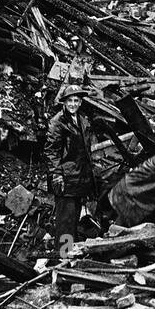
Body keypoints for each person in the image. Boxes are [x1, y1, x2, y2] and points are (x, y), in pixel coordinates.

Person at [45, 82, 98, 254]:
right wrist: (57, 175)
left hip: (79, 179)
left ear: (80, 102)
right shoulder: (57, 122)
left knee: (74, 219)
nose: (73, 104)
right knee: (65, 221)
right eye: (70, 101)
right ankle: (63, 255)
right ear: (64, 103)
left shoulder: (82, 120)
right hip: (65, 180)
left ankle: (70, 253)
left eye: (76, 100)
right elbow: (51, 152)